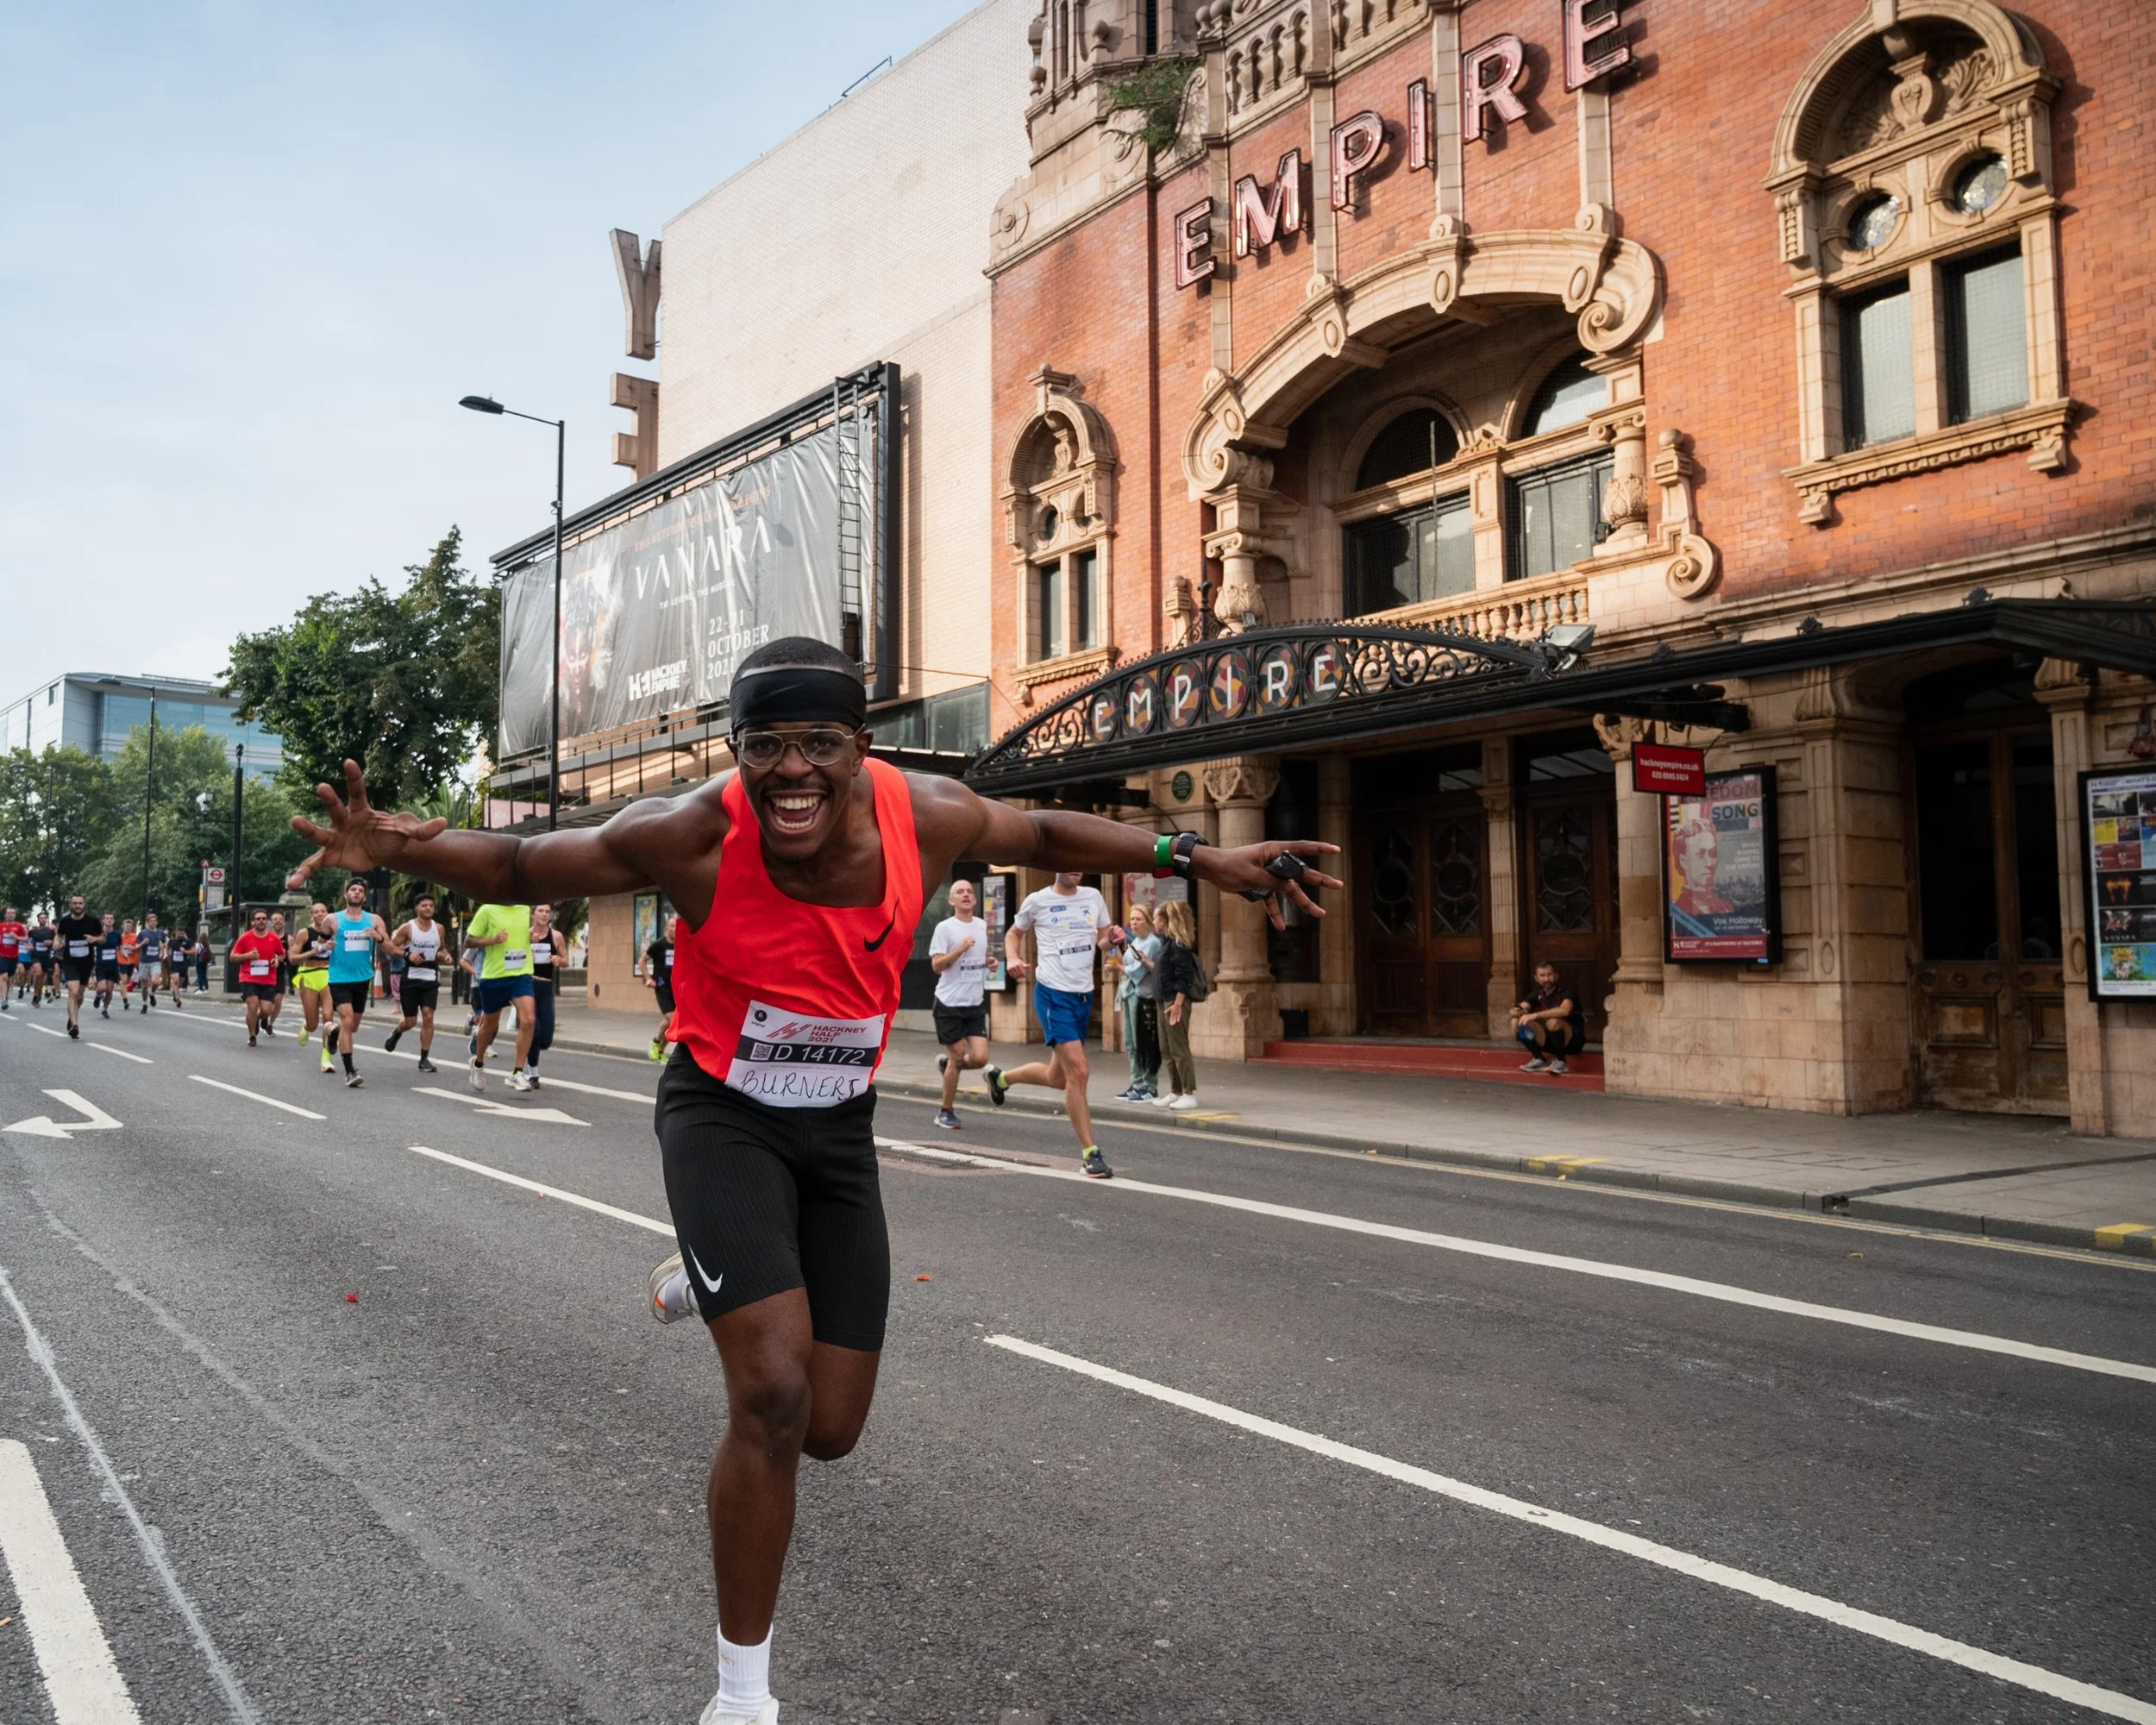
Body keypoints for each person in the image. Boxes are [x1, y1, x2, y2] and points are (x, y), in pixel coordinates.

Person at [281, 636, 1338, 1725]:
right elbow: (520, 864)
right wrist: (392, 850)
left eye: (819, 743)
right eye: (764, 745)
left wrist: (1197, 854)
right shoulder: (694, 833)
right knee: (774, 1396)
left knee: (831, 1427)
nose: (792, 769)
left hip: (835, 1130)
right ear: (736, 750)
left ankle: (711, 1275)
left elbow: (1049, 827)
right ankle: (743, 1696)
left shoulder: (923, 814)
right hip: (720, 1113)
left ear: (860, 745)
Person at [987, 871, 1119, 1177]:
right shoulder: (1038, 900)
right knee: (1080, 1072)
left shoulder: (1093, 897)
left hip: (1083, 995)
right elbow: (1013, 934)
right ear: (1057, 866)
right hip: (1052, 995)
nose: (1075, 868)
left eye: (1079, 864)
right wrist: (1013, 958)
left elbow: (1102, 943)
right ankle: (1090, 1153)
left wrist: (1111, 940)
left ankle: (1001, 1079)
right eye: (1068, 863)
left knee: (1058, 1077)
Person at [926, 878, 992, 1129]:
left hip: (974, 1004)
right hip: (949, 1004)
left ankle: (946, 1065)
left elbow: (977, 959)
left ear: (975, 900)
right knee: (959, 1058)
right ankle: (945, 1111)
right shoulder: (945, 928)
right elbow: (937, 965)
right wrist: (960, 949)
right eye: (959, 892)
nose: (965, 895)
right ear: (951, 901)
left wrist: (988, 962)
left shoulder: (982, 925)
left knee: (982, 1058)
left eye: (969, 892)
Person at [466, 900, 537, 1092]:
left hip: (521, 974)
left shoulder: (525, 908)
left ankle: (517, 1072)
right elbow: (469, 940)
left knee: (529, 1020)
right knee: (490, 1025)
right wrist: (492, 940)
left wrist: (531, 937)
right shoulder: (487, 910)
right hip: (494, 976)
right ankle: (478, 1063)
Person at [324, 881, 388, 1087]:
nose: (357, 893)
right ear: (346, 894)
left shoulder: (374, 919)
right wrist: (324, 946)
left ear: (365, 897)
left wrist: (379, 937)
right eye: (353, 890)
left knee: (353, 1026)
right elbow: (320, 943)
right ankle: (350, 1071)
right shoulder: (333, 920)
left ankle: (334, 1032)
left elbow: (388, 943)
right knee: (348, 1019)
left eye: (361, 891)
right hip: (339, 978)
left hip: (362, 978)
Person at [384, 894, 447, 1073]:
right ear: (417, 909)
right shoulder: (407, 928)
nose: (428, 908)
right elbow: (391, 947)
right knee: (411, 1021)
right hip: (411, 978)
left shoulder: (439, 928)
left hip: (430, 978)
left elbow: (441, 949)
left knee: (428, 1016)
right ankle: (398, 1031)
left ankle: (424, 1059)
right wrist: (406, 954)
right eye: (424, 905)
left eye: (431, 905)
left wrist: (445, 955)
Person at [1149, 898, 1201, 1111]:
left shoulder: (1179, 945)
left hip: (1174, 1001)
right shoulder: (1167, 942)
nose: (1153, 923)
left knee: (1179, 1048)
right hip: (1163, 1000)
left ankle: (1189, 1093)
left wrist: (1178, 1004)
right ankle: (1176, 1091)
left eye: (1155, 919)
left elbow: (1184, 977)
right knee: (1166, 1049)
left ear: (1165, 920)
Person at [1112, 901, 1161, 1102]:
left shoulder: (1152, 942)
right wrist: (1116, 946)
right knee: (1131, 1042)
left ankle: (1150, 1085)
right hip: (1128, 994)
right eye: (1132, 919)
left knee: (1144, 1042)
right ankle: (1137, 1082)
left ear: (1147, 921)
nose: (1133, 922)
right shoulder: (1136, 942)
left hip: (1143, 998)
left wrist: (1118, 969)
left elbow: (1137, 972)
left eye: (1138, 919)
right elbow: (1125, 961)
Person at [1511, 961, 1580, 1076]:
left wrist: (1535, 1015)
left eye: (1549, 975)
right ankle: (1539, 1058)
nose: (1546, 978)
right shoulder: (1537, 995)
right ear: (1536, 978)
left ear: (1556, 976)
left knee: (1553, 1022)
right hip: (1548, 1041)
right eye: (1542, 975)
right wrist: (1520, 1011)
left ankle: (1561, 1061)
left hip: (1572, 1042)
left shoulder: (1567, 993)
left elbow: (1565, 1010)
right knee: (1516, 1022)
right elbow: (1515, 1010)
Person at [525, 902, 567, 1088]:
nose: (544, 914)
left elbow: (566, 960)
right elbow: (512, 955)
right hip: (527, 984)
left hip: (546, 986)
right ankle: (533, 1073)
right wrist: (527, 951)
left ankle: (532, 1051)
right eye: (540, 911)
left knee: (547, 1036)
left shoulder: (556, 936)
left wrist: (559, 960)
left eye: (547, 911)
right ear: (533, 914)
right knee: (534, 1030)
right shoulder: (525, 935)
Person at [231, 908, 285, 1046]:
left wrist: (277, 960)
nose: (261, 921)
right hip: (249, 978)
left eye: (263, 919)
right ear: (253, 922)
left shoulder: (274, 938)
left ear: (267, 921)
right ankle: (252, 1036)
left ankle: (258, 1019)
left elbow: (281, 954)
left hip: (268, 979)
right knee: (253, 1006)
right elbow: (233, 957)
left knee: (267, 1010)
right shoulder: (245, 938)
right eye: (258, 919)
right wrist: (247, 956)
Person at [290, 903, 333, 1063]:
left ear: (328, 914)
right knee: (313, 1024)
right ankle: (307, 1027)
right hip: (309, 976)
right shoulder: (305, 933)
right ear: (312, 916)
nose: (320, 914)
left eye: (323, 911)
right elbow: (293, 959)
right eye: (316, 912)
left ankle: (326, 1058)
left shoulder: (335, 932)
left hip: (328, 975)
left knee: (328, 1017)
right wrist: (314, 951)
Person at [54, 897, 102, 1038]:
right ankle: (75, 1025)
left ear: (84, 905)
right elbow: (59, 935)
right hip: (70, 961)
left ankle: (71, 1017)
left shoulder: (92, 921)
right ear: (70, 905)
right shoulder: (65, 921)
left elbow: (102, 937)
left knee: (80, 995)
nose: (78, 906)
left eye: (80, 903)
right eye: (75, 903)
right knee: (73, 992)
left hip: (86, 963)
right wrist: (56, 943)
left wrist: (94, 939)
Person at [645, 912, 678, 1061]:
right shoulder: (659, 945)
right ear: (667, 928)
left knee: (676, 1025)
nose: (675, 928)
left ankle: (660, 1051)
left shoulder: (680, 946)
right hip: (662, 988)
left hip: (676, 989)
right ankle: (656, 1042)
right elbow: (641, 961)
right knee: (671, 1020)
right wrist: (648, 978)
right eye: (672, 926)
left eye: (677, 926)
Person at [136, 913, 172, 1011]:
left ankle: (152, 994)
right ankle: (145, 1003)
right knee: (144, 986)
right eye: (151, 921)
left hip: (155, 961)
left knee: (155, 981)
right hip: (144, 961)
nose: (153, 923)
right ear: (147, 922)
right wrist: (143, 943)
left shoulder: (160, 933)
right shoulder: (142, 933)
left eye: (155, 921)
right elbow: (136, 947)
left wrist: (163, 949)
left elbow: (165, 944)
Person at [266, 911, 292, 1035]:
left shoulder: (289, 938)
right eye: (275, 919)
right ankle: (264, 1015)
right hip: (266, 972)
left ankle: (270, 1024)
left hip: (280, 972)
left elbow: (292, 956)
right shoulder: (266, 936)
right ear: (271, 923)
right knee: (267, 1002)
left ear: (284, 922)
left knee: (278, 1001)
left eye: (280, 919)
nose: (278, 921)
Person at [93, 913, 122, 1019]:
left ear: (114, 921)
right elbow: (93, 946)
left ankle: (105, 1009)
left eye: (111, 919)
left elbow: (119, 947)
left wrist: (123, 953)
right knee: (103, 988)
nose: (109, 920)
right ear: (103, 921)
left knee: (109, 990)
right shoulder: (99, 934)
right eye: (107, 919)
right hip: (101, 965)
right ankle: (98, 995)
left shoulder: (117, 935)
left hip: (113, 965)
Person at [25, 913, 57, 1006]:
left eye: (44, 918)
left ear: (46, 919)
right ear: (38, 920)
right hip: (36, 955)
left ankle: (38, 993)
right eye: (41, 918)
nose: (43, 919)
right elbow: (25, 939)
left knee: (41, 977)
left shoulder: (51, 931)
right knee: (38, 973)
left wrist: (51, 942)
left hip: (46, 957)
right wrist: (29, 946)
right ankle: (35, 996)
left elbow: (57, 940)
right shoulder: (33, 931)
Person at [0, 906, 23, 1010]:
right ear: (5, 915)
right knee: (3, 977)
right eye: (9, 913)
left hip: (14, 956)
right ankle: (3, 1000)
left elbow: (26, 938)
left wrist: (17, 937)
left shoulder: (19, 926)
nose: (10, 915)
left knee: (9, 979)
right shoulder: (1, 926)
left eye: (12, 913)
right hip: (2, 954)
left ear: (15, 915)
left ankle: (6, 996)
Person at [116, 918, 140, 1008]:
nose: (128, 928)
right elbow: (117, 948)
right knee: (124, 981)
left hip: (132, 961)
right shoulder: (120, 937)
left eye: (130, 926)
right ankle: (125, 1001)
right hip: (122, 960)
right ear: (123, 927)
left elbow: (137, 948)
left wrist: (133, 948)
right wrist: (121, 950)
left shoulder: (135, 937)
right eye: (126, 926)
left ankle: (123, 990)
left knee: (128, 980)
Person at [192, 929, 211, 994]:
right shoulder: (207, 945)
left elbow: (196, 953)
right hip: (205, 961)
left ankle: (201, 988)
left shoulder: (198, 944)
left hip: (199, 960)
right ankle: (206, 988)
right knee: (204, 974)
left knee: (199, 974)